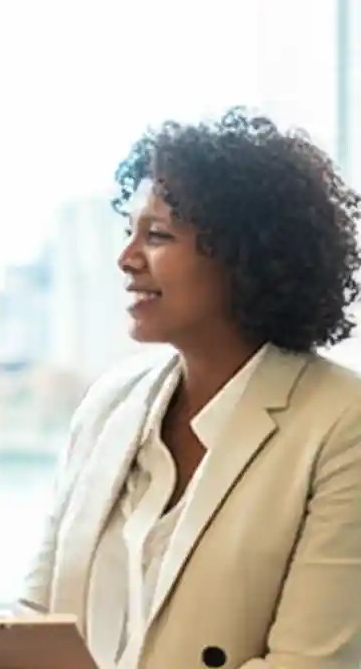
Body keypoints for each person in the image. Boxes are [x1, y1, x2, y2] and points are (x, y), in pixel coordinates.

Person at [19, 108, 361, 668]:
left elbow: (308, 663)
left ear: (244, 255)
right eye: (129, 232)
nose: (126, 258)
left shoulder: (343, 422)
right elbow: (35, 622)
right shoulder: (109, 403)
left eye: (157, 235)